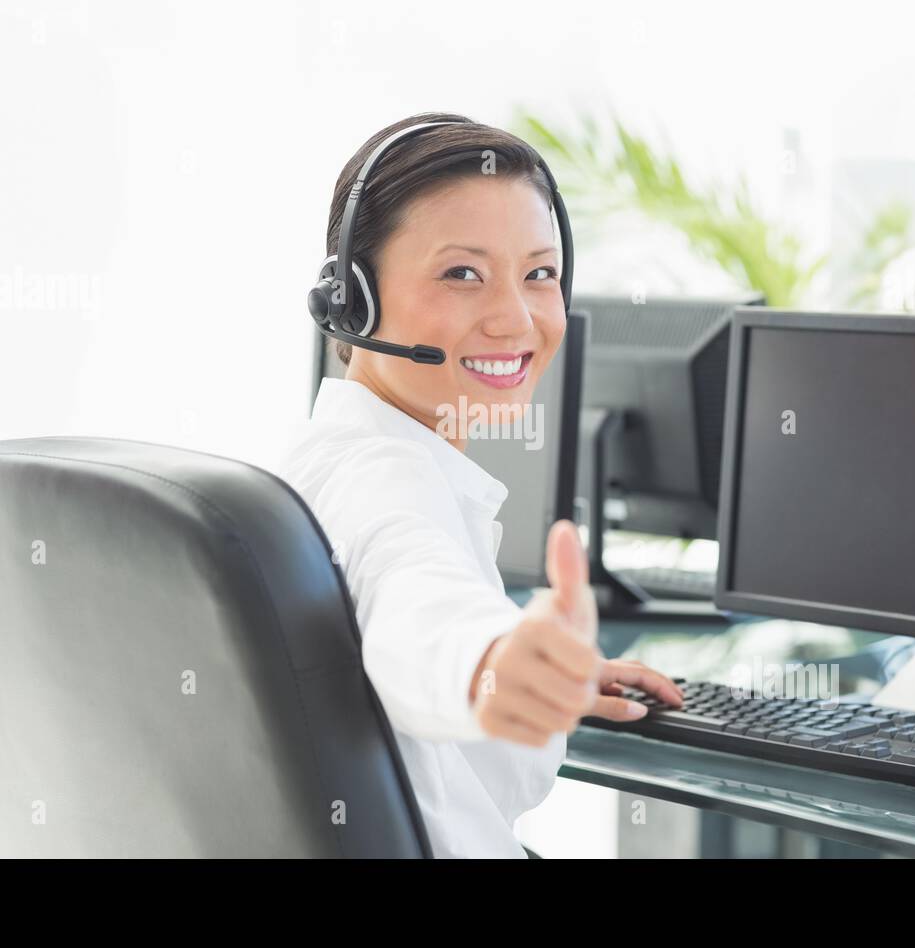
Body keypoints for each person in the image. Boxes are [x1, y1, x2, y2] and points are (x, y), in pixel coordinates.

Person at [281, 112, 683, 858]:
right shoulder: (383, 482)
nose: (516, 317)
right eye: (462, 273)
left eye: (540, 274)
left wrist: (547, 674)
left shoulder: (328, 455)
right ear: (353, 300)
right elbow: (417, 609)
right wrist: (489, 663)